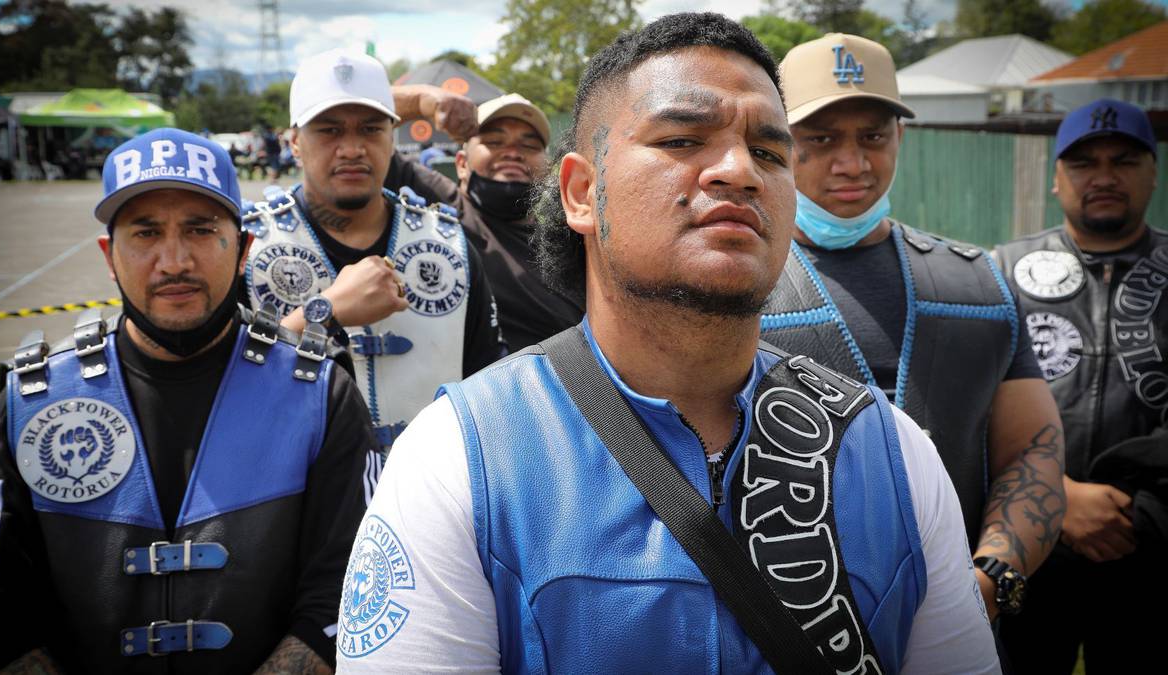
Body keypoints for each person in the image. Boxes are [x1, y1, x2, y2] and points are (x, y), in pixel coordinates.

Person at [336, 13, 1000, 673]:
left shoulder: (893, 454)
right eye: (683, 139)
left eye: (770, 152)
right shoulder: (459, 458)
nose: (739, 170)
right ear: (581, 192)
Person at [0, 128, 378, 673]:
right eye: (145, 233)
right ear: (109, 256)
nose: (174, 259)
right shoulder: (32, 401)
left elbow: (350, 593)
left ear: (243, 250)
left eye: (201, 229)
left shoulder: (321, 395)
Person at [757, 33, 1066, 623]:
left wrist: (989, 580)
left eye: (872, 135)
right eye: (820, 139)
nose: (853, 163)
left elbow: (1033, 447)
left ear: (902, 136)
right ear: (778, 142)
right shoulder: (729, 287)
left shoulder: (978, 284)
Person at [241, 48, 506, 451]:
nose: (351, 148)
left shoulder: (448, 245)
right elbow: (221, 392)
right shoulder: (250, 249)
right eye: (329, 130)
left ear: (392, 136)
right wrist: (321, 314)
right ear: (295, 143)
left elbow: (490, 391)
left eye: (370, 129)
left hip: (434, 502)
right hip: (295, 504)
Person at [995, 98, 1167, 674]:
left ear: (1153, 172)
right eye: (1083, 163)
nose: (1103, 177)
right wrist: (1057, 498)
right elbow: (971, 406)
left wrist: (1144, 515)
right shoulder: (1000, 274)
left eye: (1123, 160)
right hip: (1029, 547)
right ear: (1055, 178)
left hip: (1151, 553)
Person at [390, 92, 585, 350]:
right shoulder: (447, 209)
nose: (513, 153)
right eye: (494, 141)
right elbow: (360, 124)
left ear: (549, 168)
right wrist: (420, 102)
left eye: (529, 146)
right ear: (461, 164)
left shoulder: (571, 240)